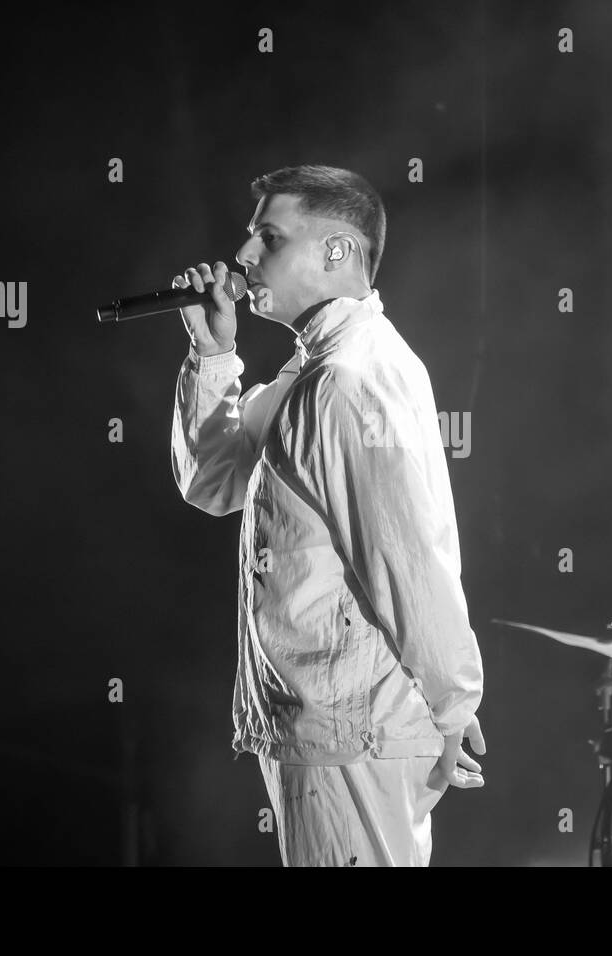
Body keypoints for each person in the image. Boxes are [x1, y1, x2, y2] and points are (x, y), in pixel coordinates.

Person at [169, 164, 486, 866]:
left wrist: (454, 700)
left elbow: (404, 555)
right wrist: (213, 352)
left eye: (268, 238)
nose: (244, 257)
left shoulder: (347, 381)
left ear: (337, 250)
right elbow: (213, 481)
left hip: (351, 730)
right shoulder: (313, 373)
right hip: (329, 726)